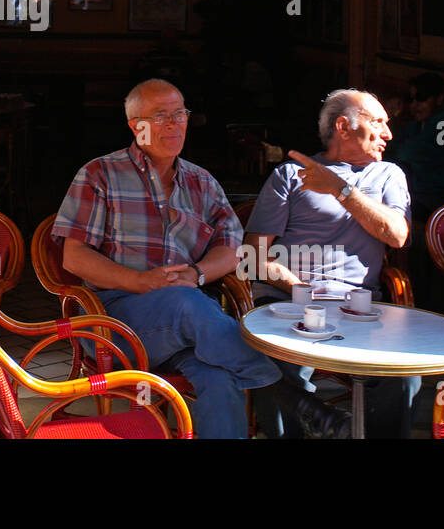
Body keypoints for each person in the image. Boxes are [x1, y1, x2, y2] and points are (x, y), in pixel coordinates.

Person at [52, 79, 281, 439]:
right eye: (161, 116)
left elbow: (234, 248)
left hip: (191, 325)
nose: (174, 124)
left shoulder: (201, 182)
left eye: (180, 114)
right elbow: (74, 257)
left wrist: (197, 273)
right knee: (184, 302)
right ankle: (282, 389)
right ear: (135, 125)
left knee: (218, 377)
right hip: (115, 319)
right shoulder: (100, 174)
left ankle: (272, 388)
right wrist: (140, 281)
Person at [244, 89, 418, 438]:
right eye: (379, 122)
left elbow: (397, 235)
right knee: (266, 360)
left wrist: (340, 189)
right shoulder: (291, 175)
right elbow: (253, 257)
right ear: (343, 126)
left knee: (404, 374)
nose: (389, 134)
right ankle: (320, 423)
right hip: (288, 300)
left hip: (360, 306)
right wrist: (301, 290)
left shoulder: (388, 175)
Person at [384, 71, 444, 312]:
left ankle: (414, 297)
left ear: (439, 98)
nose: (415, 105)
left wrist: (404, 146)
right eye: (411, 99)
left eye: (422, 98)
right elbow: (391, 147)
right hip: (425, 197)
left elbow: (411, 152)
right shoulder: (418, 125)